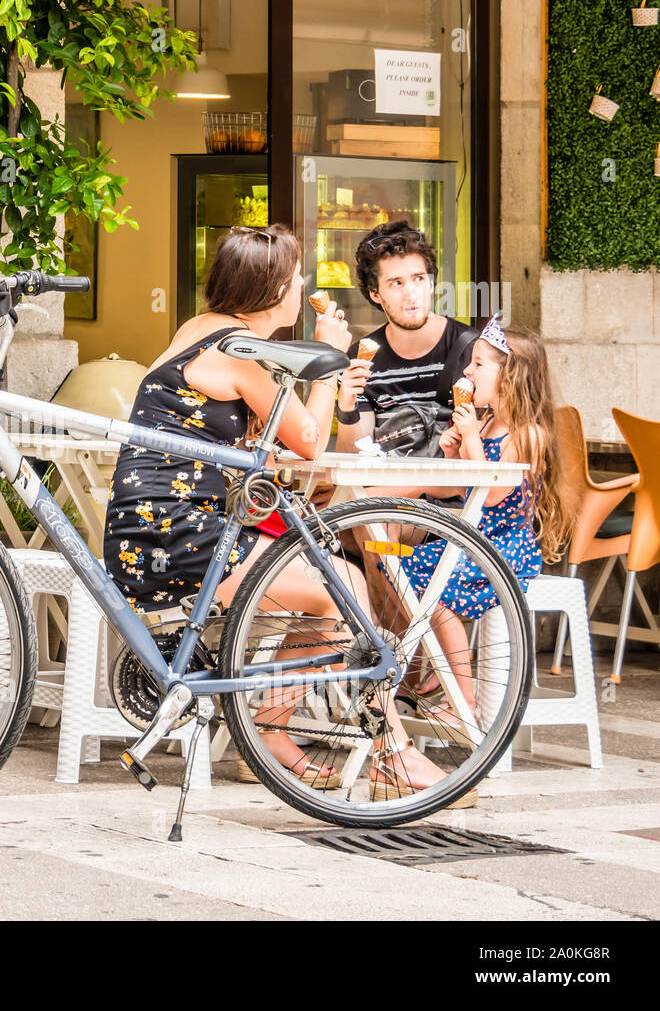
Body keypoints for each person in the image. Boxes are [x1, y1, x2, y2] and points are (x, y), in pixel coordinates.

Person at [103, 224, 459, 797]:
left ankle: (274, 731)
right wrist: (331, 357)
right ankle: (368, 748)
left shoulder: (198, 331)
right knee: (343, 586)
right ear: (275, 291)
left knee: (332, 588)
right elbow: (311, 440)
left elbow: (249, 438)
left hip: (150, 536)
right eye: (296, 280)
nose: (301, 288)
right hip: (183, 541)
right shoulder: (241, 351)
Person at [396, 319, 570, 727]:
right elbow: (460, 490)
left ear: (511, 377)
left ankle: (464, 697)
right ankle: (432, 679)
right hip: (473, 539)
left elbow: (492, 492)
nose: (467, 374)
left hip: (506, 548)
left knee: (433, 589)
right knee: (407, 575)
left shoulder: (528, 435)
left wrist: (471, 438)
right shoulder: (489, 422)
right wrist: (453, 452)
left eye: (478, 365)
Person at [334, 220, 478, 468]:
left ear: (431, 282)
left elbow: (492, 449)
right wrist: (347, 405)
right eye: (397, 283)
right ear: (375, 293)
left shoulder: (474, 351)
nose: (411, 294)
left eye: (419, 278)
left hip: (456, 500)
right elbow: (354, 465)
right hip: (386, 500)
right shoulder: (359, 359)